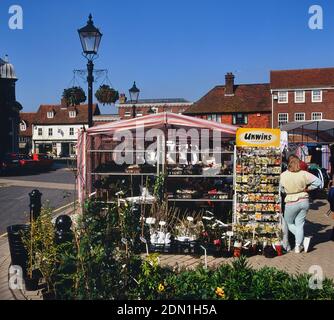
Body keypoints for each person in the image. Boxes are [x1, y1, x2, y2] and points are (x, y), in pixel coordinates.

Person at [280, 157, 322, 253]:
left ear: (289, 164)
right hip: (304, 200)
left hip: (291, 201)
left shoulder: (283, 175)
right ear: (298, 164)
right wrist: (308, 188)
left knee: (288, 223)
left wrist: (286, 191)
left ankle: (302, 240)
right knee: (300, 224)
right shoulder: (304, 173)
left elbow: (281, 189)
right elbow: (318, 182)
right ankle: (298, 246)